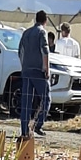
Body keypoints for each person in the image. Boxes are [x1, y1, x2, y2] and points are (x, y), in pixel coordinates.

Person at [18, 10, 51, 139]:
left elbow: (20, 51)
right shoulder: (42, 32)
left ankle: (24, 130)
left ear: (35, 19)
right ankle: (38, 124)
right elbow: (45, 51)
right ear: (45, 21)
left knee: (26, 101)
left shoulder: (26, 33)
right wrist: (46, 69)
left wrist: (24, 66)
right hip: (38, 70)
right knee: (46, 98)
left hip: (26, 70)